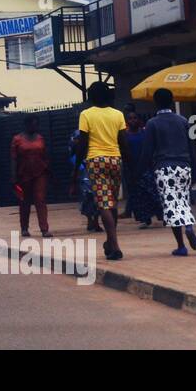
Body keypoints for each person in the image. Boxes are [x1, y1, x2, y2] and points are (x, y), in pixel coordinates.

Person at [140, 88, 196, 256]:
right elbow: (191, 148)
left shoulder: (152, 123)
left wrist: (141, 170)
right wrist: (194, 170)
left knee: (171, 205)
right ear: (172, 101)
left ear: (155, 103)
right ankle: (189, 226)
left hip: (164, 168)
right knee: (183, 200)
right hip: (184, 166)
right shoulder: (183, 121)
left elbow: (147, 150)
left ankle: (181, 245)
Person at [75, 81, 130, 260]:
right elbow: (123, 142)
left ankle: (115, 245)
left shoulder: (86, 114)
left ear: (90, 96)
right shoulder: (118, 114)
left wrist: (76, 169)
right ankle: (110, 241)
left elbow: (82, 143)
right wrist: (129, 164)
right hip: (115, 160)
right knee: (112, 203)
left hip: (96, 161)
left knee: (103, 204)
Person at [10, 116, 51, 238]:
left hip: (40, 172)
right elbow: (13, 159)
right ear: (26, 125)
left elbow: (45, 155)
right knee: (24, 201)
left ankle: (44, 229)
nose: (34, 126)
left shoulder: (40, 138)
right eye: (32, 124)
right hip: (23, 174)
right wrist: (13, 176)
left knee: (40, 199)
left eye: (36, 124)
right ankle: (24, 228)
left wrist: (49, 170)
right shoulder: (17, 139)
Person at [123, 109, 161, 227]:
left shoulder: (145, 133)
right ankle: (145, 219)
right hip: (132, 168)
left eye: (135, 118)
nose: (133, 121)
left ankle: (162, 215)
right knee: (138, 195)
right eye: (130, 118)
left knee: (153, 192)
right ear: (127, 121)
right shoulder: (125, 136)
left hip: (146, 167)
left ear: (139, 120)